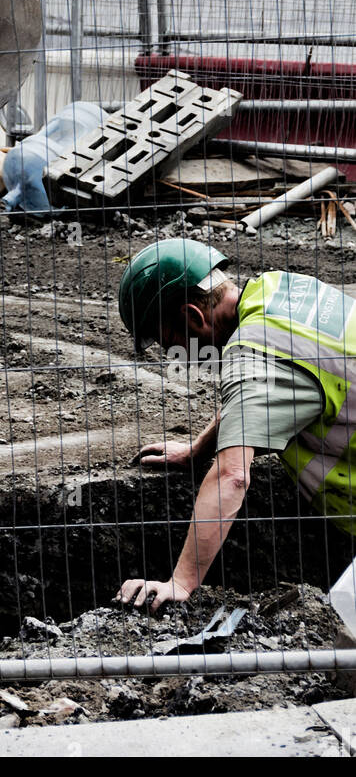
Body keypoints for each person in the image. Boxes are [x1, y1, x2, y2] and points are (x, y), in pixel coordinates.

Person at [114, 237, 356, 611]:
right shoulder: (280, 288)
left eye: (171, 340)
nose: (176, 355)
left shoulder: (252, 357)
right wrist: (199, 450)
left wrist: (182, 581)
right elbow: (255, 396)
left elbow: (233, 477)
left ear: (194, 316)